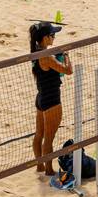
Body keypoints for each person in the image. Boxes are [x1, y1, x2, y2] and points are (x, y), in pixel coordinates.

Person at [29, 22, 73, 176]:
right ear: (45, 38)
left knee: (38, 134)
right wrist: (66, 55)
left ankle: (39, 166)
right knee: (48, 138)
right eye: (52, 35)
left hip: (40, 97)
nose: (54, 37)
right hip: (52, 100)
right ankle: (48, 170)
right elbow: (68, 70)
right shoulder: (47, 56)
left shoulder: (35, 52)